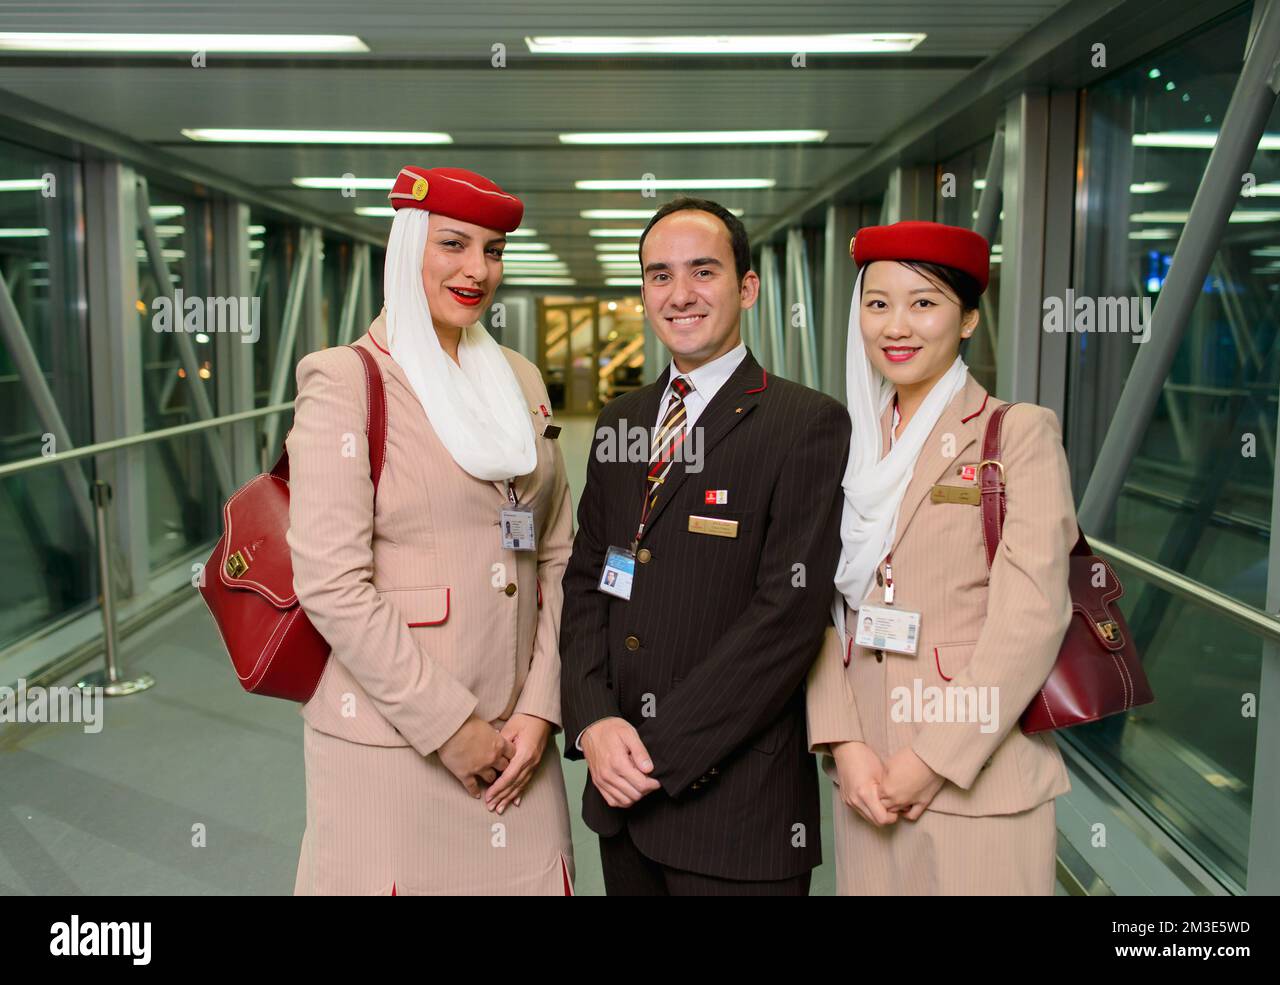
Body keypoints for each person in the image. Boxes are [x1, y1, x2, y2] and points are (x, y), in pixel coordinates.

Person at [288, 166, 574, 895]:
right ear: (407, 246)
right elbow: (331, 582)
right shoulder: (347, 380)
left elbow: (558, 554)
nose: (476, 269)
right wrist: (450, 725)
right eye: (453, 243)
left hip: (519, 738)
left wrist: (542, 705)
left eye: (493, 250)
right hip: (396, 740)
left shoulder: (520, 378)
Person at [560, 197, 851, 895]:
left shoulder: (804, 422)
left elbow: (788, 616)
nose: (680, 294)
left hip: (736, 812)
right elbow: (586, 580)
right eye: (659, 275)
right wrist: (594, 721)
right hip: (620, 800)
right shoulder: (621, 419)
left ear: (746, 288)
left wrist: (654, 753)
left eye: (703, 271)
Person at [806, 220, 1076, 895]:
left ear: (968, 320)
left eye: (923, 302)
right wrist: (845, 742)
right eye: (878, 303)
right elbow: (812, 605)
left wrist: (931, 759)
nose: (897, 325)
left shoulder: (1015, 433)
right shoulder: (847, 443)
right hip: (867, 779)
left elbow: (1032, 617)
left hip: (976, 779)